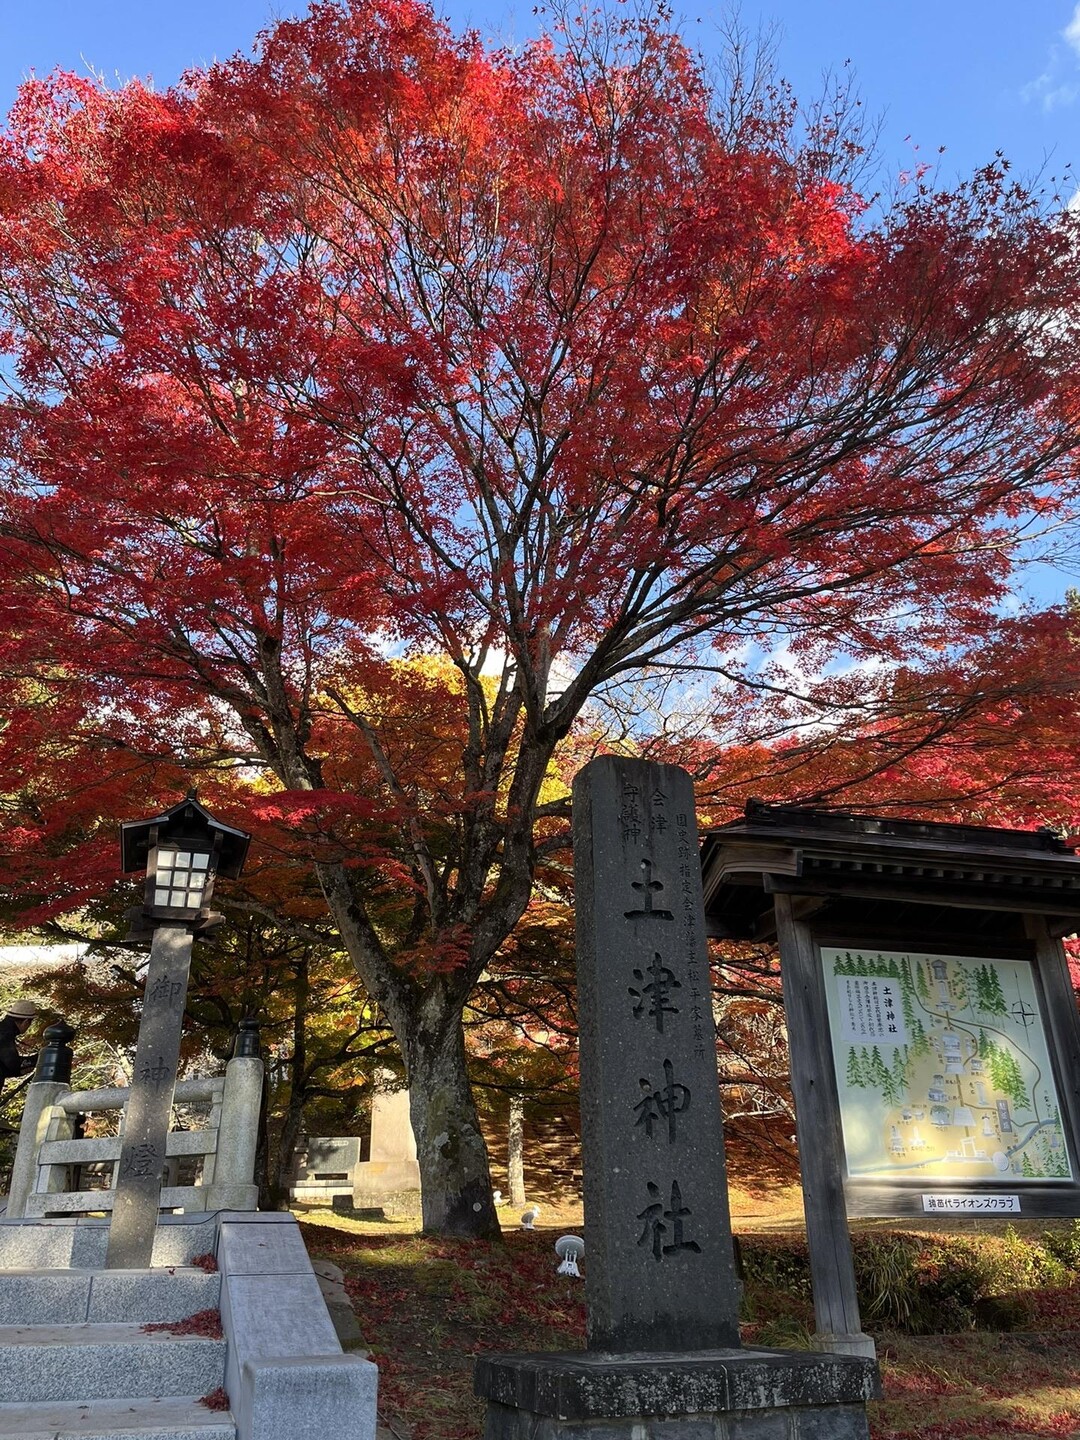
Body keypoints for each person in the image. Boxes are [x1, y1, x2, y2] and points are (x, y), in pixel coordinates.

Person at [0, 999, 39, 1097]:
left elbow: (3, 1067)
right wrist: (41, 1057)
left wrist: (19, 1071)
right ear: (26, 1022)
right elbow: (13, 1063)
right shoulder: (5, 1034)